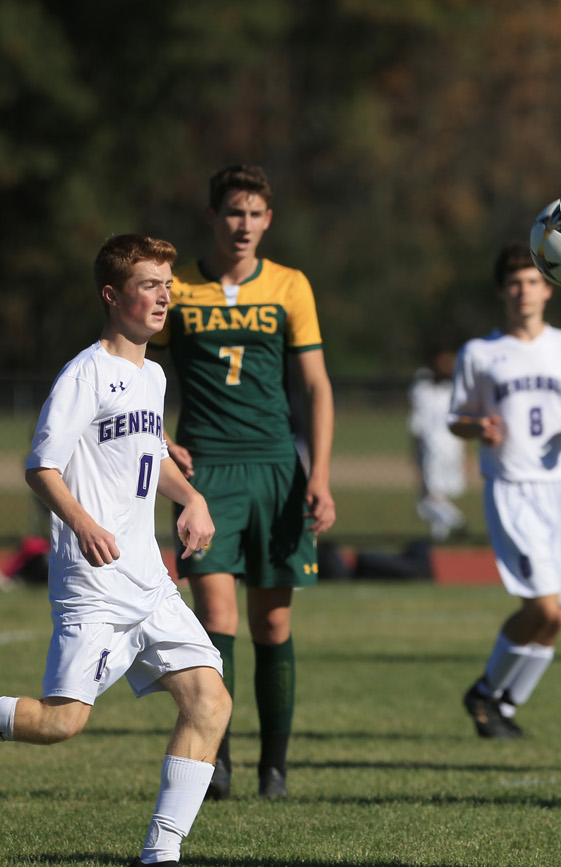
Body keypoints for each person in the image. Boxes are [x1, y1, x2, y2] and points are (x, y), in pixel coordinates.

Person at [5, 234, 231, 866]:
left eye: (167, 284)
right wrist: (81, 522)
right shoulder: (84, 374)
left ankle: (160, 857)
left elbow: (151, 454)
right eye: (148, 285)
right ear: (113, 295)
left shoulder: (152, 373)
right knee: (60, 724)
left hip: (146, 578)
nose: (164, 296)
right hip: (94, 579)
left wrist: (191, 498)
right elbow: (40, 466)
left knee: (209, 700)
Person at [149, 164, 336, 800]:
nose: (244, 225)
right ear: (213, 217)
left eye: (256, 214)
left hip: (277, 469)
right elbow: (135, 366)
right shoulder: (177, 288)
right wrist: (159, 438)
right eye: (234, 212)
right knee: (214, 618)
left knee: (274, 626)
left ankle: (275, 770)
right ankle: (217, 762)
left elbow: (315, 385)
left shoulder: (290, 286)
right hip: (206, 474)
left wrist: (322, 476)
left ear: (269, 221)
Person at [453, 243, 561, 739]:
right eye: (514, 283)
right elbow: (458, 420)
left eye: (533, 281)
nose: (524, 291)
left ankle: (506, 706)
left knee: (557, 617)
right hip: (511, 487)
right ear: (502, 290)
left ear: (549, 288)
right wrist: (478, 428)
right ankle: (485, 692)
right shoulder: (480, 352)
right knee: (540, 606)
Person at [409, 349, 467, 541]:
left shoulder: (423, 392)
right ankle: (439, 536)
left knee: (429, 499)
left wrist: (413, 450)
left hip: (433, 448)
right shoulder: (453, 391)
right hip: (452, 446)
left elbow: (417, 426)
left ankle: (457, 521)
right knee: (438, 493)